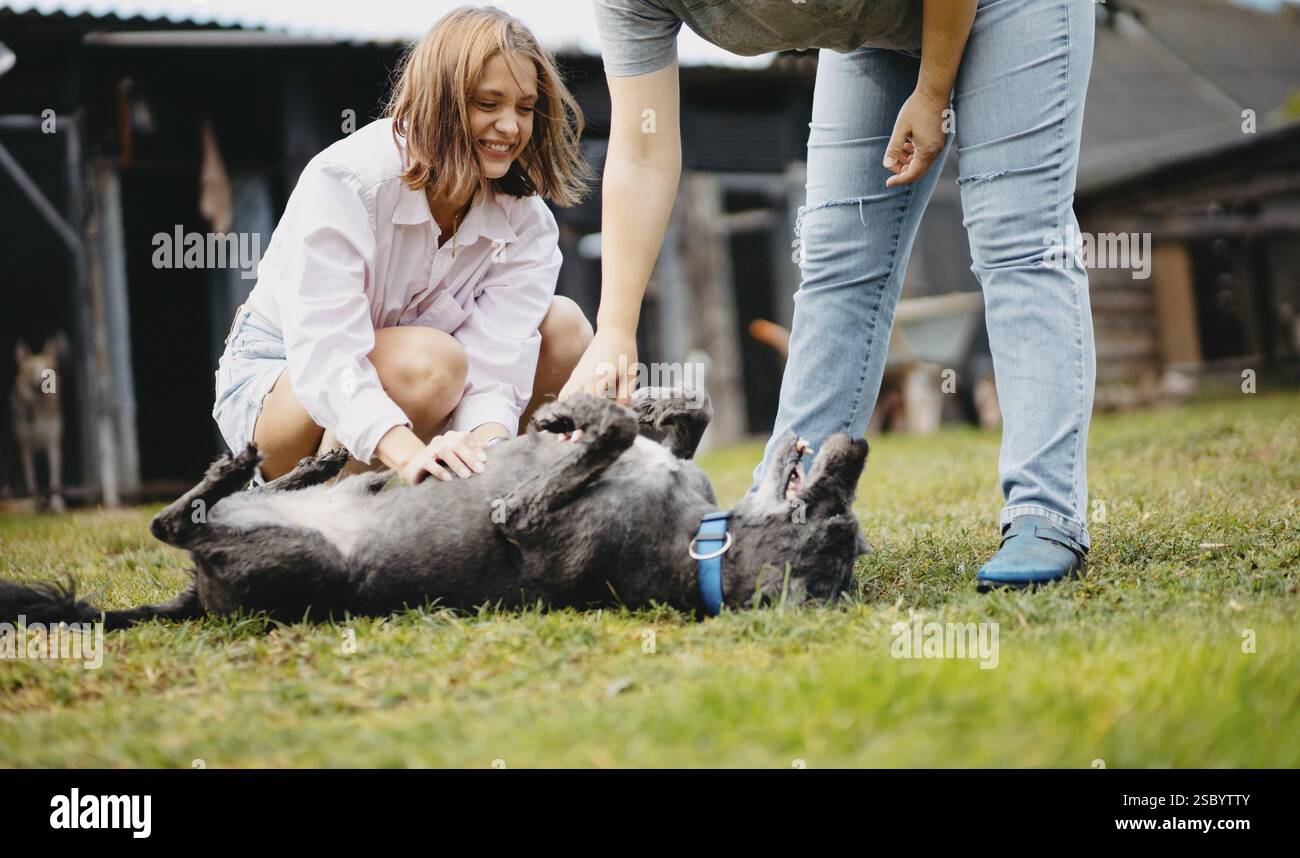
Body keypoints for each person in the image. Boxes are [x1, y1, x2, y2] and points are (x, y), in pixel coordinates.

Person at [569, 0, 1096, 588]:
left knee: (1016, 236)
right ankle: (787, 511)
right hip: (878, 34)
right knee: (838, 255)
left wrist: (932, 91)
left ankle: (1042, 513)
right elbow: (642, 150)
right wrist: (615, 326)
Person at [214, 6, 593, 487]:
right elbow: (329, 356)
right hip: (286, 376)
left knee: (565, 329)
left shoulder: (527, 222)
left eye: (523, 108)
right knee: (434, 363)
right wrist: (412, 455)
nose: (510, 127)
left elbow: (496, 371)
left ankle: (475, 506)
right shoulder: (349, 180)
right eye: (487, 103)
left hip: (417, 372)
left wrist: (487, 455)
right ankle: (316, 515)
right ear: (442, 100)